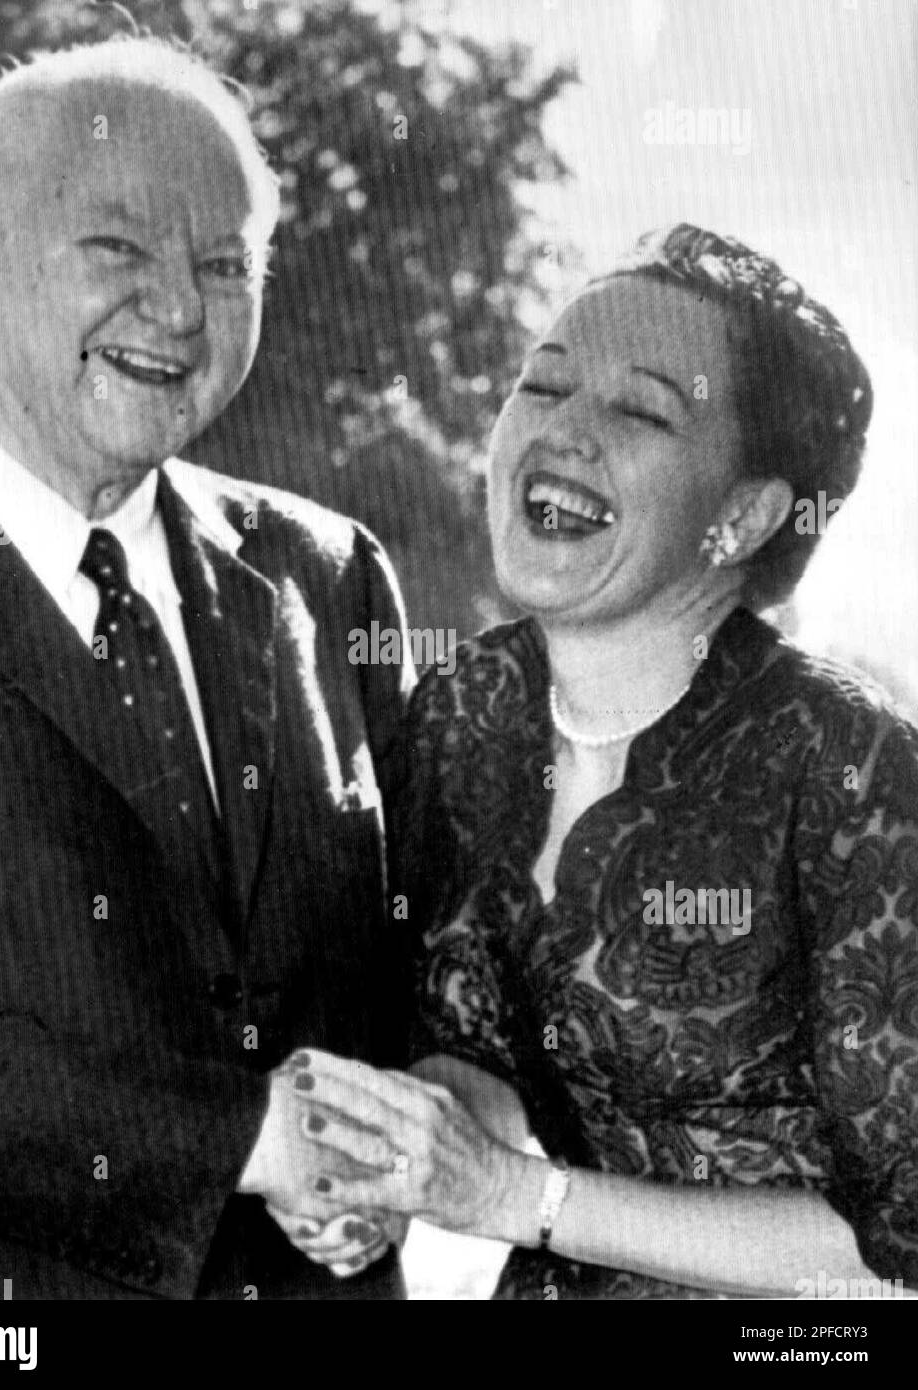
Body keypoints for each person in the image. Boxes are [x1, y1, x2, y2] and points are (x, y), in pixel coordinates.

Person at [285, 225, 918, 1299]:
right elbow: (473, 1044)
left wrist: (515, 1198)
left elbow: (893, 1257)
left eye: (640, 409)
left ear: (742, 515)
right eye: (542, 386)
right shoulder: (460, 712)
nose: (566, 430)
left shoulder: (854, 771)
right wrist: (381, 1161)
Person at [0, 35, 414, 1300]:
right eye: (118, 248)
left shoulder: (328, 573)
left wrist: (402, 1123)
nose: (179, 307)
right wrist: (246, 1140)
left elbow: (411, 951)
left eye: (227, 263)